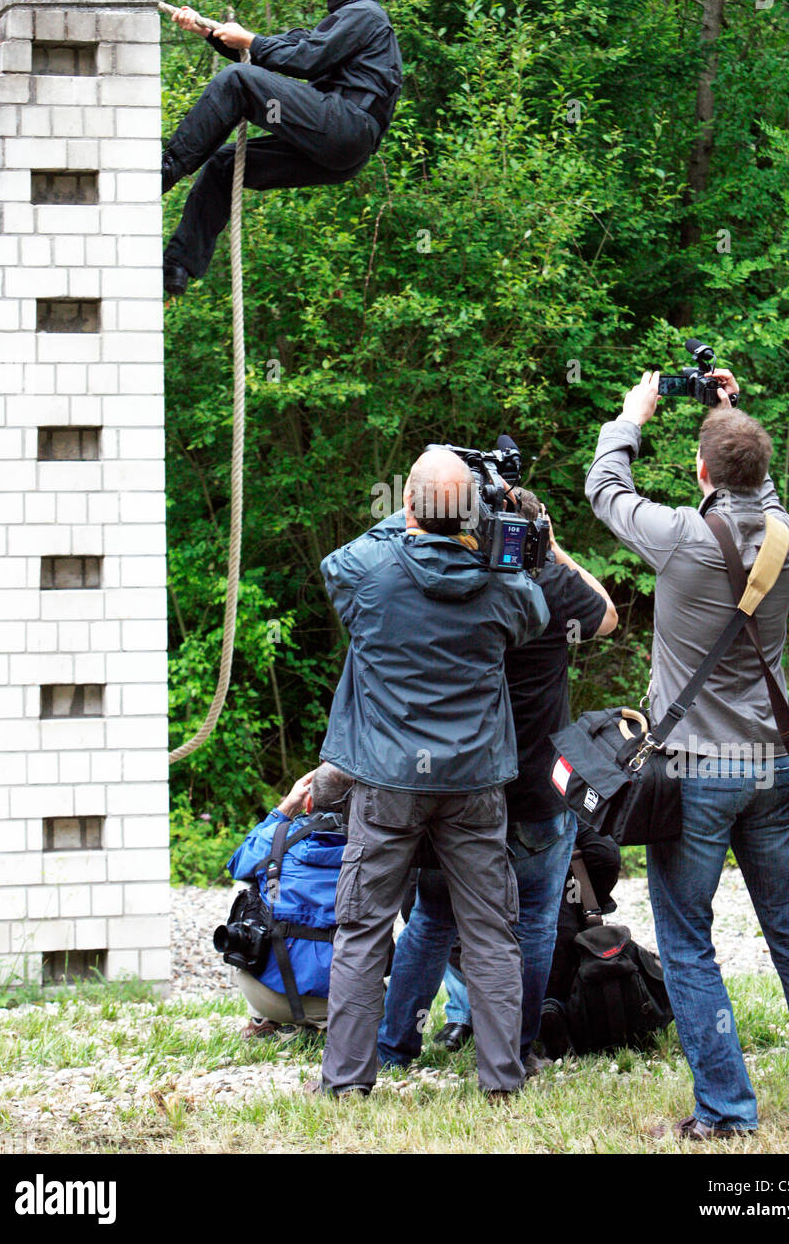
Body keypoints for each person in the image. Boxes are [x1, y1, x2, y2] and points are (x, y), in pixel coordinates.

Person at [585, 367, 789, 1139]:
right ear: (760, 471)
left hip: (696, 771)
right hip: (772, 766)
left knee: (687, 944)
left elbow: (604, 488)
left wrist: (632, 414)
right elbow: (753, 490)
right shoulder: (788, 536)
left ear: (700, 472)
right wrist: (729, 415)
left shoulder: (678, 536)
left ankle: (727, 1112)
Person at [310, 447, 550, 1097]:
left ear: (407, 504)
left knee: (362, 929)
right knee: (491, 932)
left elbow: (337, 563)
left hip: (388, 781)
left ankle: (346, 1082)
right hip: (474, 782)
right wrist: (480, 521)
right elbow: (536, 612)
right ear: (471, 514)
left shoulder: (367, 572)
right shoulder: (501, 585)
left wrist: (414, 513)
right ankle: (501, 1081)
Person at [378, 488, 618, 1072]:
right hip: (537, 788)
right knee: (533, 920)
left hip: (457, 782)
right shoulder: (550, 586)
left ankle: (393, 1048)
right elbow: (607, 615)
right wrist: (554, 550)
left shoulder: (450, 583)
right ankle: (516, 1049)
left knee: (433, 920)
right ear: (539, 534)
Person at [161, 0, 403, 294]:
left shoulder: (366, 14)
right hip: (340, 156)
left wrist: (251, 39)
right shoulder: (340, 27)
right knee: (224, 165)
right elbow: (277, 50)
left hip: (347, 125)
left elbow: (305, 59)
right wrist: (207, 31)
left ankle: (166, 169)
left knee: (237, 80)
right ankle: (178, 265)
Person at [231, 764, 353, 1040]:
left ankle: (262, 1019)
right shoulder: (376, 847)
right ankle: (328, 1026)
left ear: (308, 802)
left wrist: (286, 808)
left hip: (268, 996)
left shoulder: (275, 838)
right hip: (350, 1003)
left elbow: (237, 864)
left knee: (244, 886)